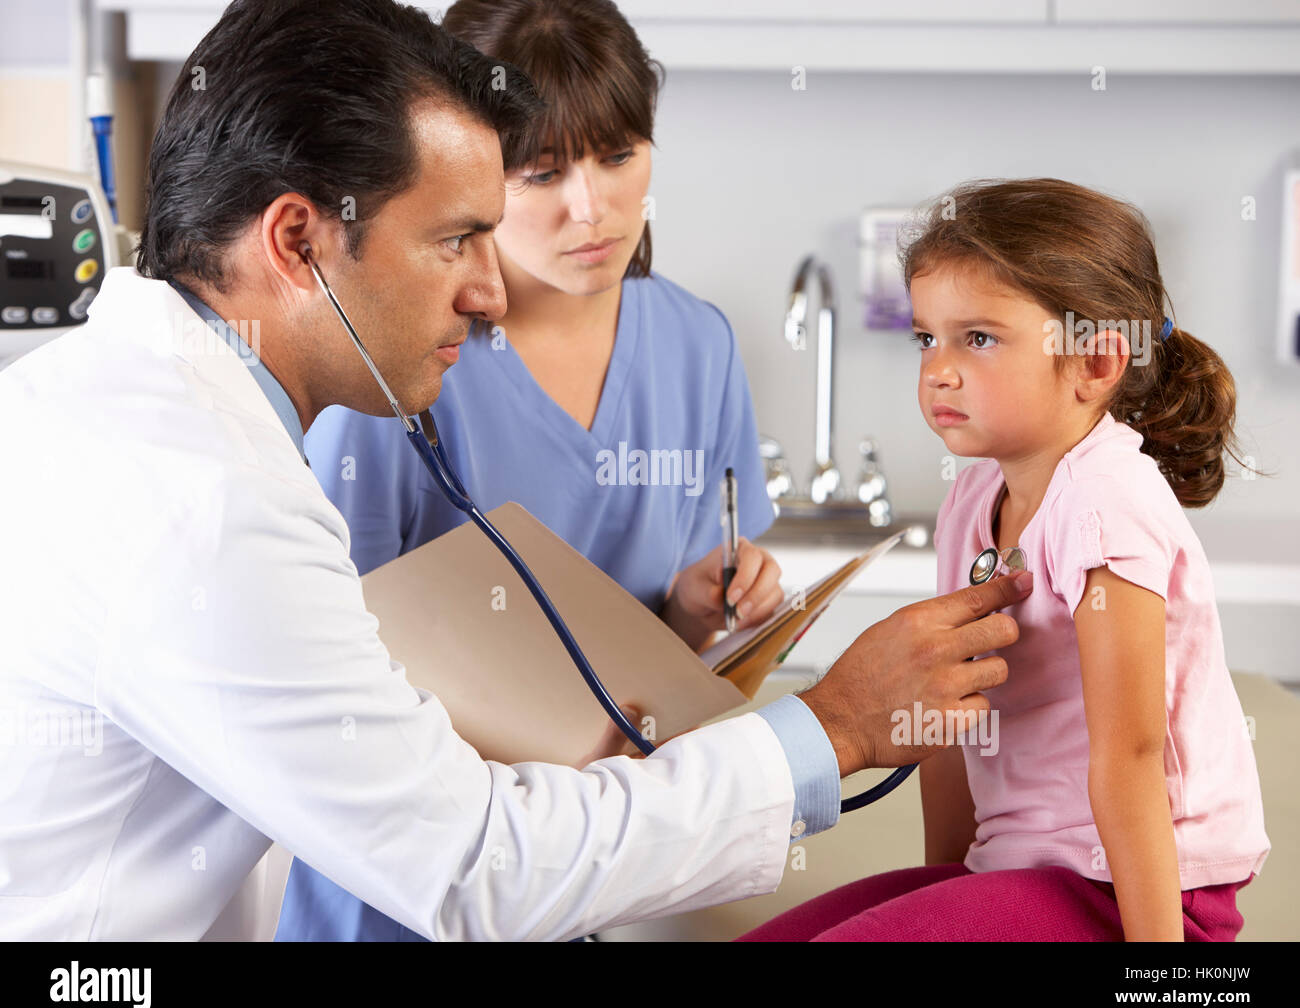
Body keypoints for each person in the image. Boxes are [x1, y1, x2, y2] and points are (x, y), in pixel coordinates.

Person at [0, 0, 1029, 941]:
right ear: (299, 241)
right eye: (456, 239)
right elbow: (470, 865)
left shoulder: (124, 413)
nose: (493, 293)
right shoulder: (207, 504)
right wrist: (836, 726)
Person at [278, 0, 783, 941]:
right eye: (540, 172)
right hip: (408, 875)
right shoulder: (393, 358)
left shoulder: (697, 345)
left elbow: (660, 661)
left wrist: (696, 611)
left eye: (618, 156)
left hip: (587, 873)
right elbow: (336, 654)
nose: (588, 208)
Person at [740, 178, 1270, 942]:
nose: (939, 369)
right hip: (1021, 873)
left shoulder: (1105, 501)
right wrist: (938, 892)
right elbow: (953, 720)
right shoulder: (972, 500)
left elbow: (1132, 751)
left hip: (1137, 896)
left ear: (1095, 364)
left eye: (978, 338)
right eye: (927, 337)